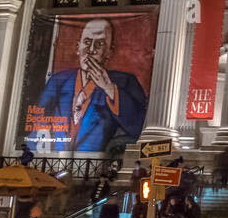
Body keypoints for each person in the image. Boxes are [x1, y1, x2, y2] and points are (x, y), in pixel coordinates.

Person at [27, 17, 149, 154]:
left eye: (100, 44)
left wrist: (109, 88)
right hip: (54, 161)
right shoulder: (58, 81)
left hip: (96, 164)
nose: (91, 50)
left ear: (109, 51)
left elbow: (139, 128)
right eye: (87, 42)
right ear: (78, 47)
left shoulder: (124, 82)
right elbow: (37, 120)